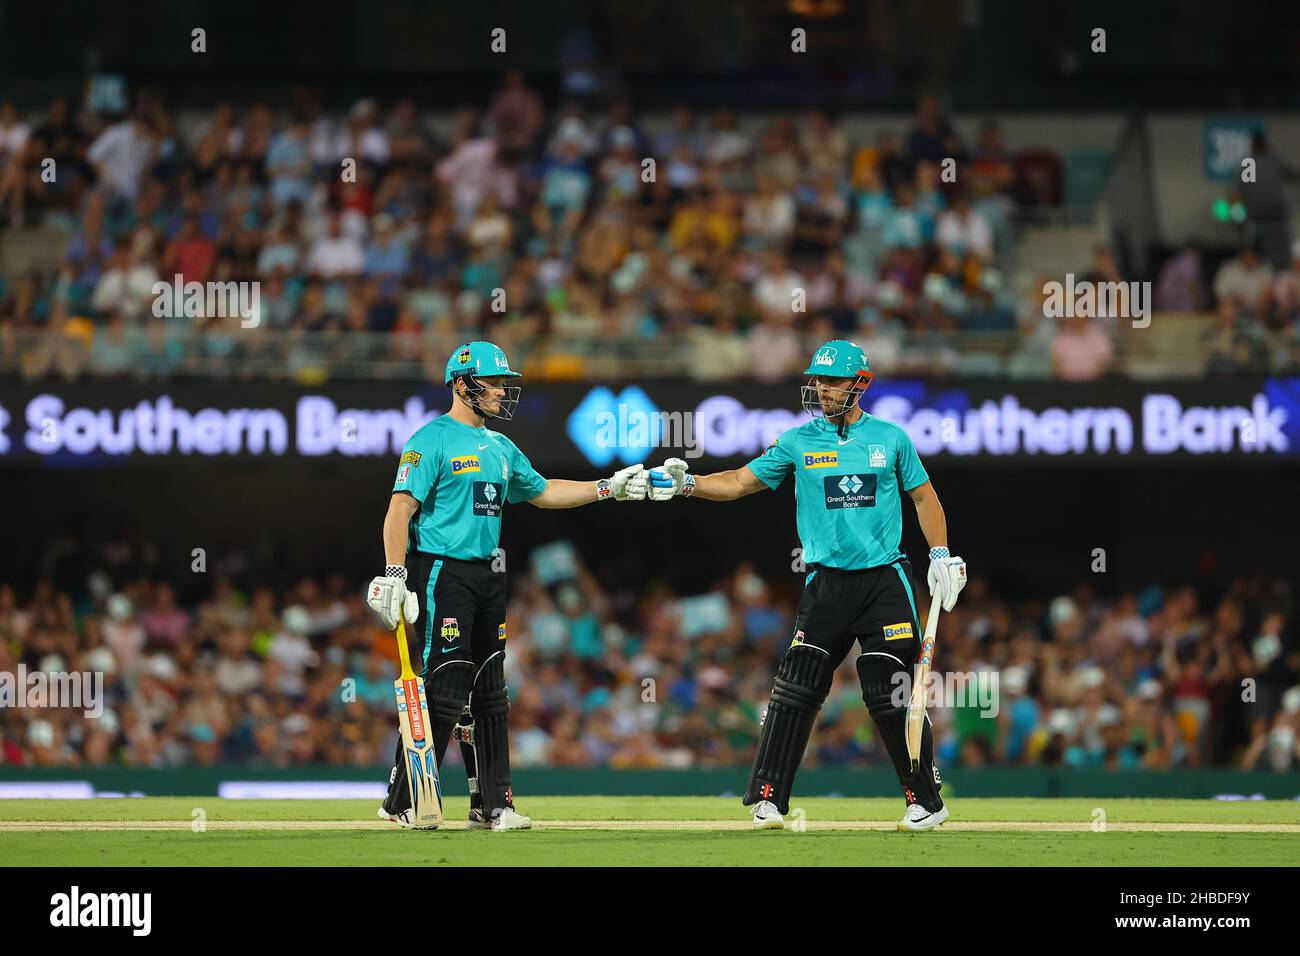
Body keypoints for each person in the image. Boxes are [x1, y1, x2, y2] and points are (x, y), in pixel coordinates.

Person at [646, 339, 967, 831]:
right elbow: (739, 482)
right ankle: (769, 799)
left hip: (885, 580)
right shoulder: (798, 441)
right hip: (826, 585)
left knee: (890, 688)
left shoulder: (892, 439)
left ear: (860, 385)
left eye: (833, 381)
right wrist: (688, 484)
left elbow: (925, 498)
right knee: (796, 690)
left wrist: (941, 554)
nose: (822, 389)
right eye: (818, 380)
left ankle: (925, 800)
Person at [366, 341, 650, 830]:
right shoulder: (430, 439)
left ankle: (493, 805)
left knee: (490, 687)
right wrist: (394, 573)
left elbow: (543, 492)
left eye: (503, 383)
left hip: (486, 575)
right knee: (448, 679)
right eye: (494, 382)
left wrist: (608, 487)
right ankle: (403, 800)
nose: (502, 391)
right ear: (462, 385)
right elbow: (399, 510)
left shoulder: (500, 447)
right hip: (441, 570)